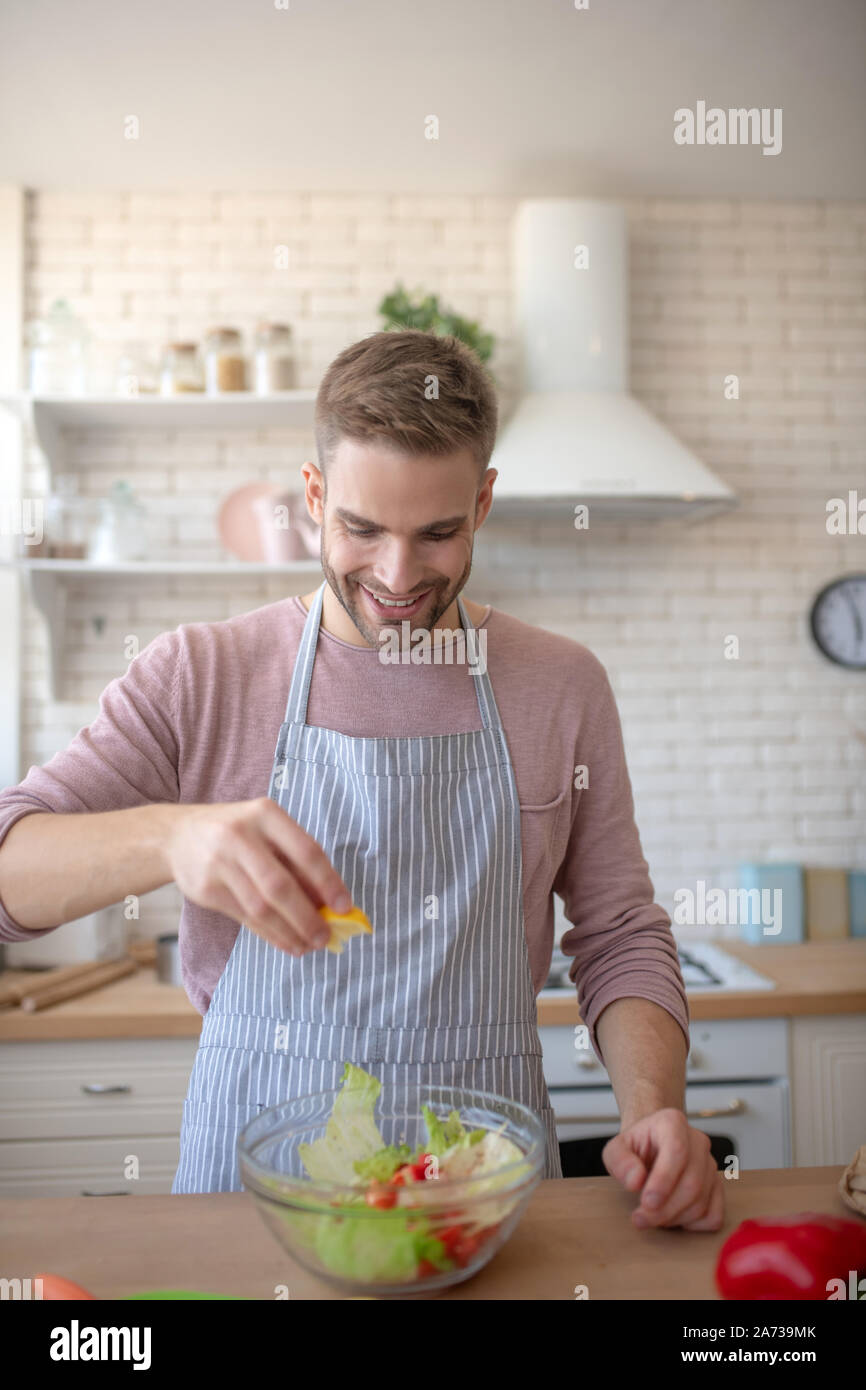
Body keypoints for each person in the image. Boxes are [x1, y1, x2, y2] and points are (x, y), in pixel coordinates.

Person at [0, 329, 722, 1230]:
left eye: (438, 533)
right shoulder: (202, 673)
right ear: (313, 496)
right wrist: (170, 836)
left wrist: (654, 1108)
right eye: (361, 528)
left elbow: (617, 931)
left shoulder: (560, 684)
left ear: (484, 503)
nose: (396, 575)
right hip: (250, 1191)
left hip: (479, 1193)